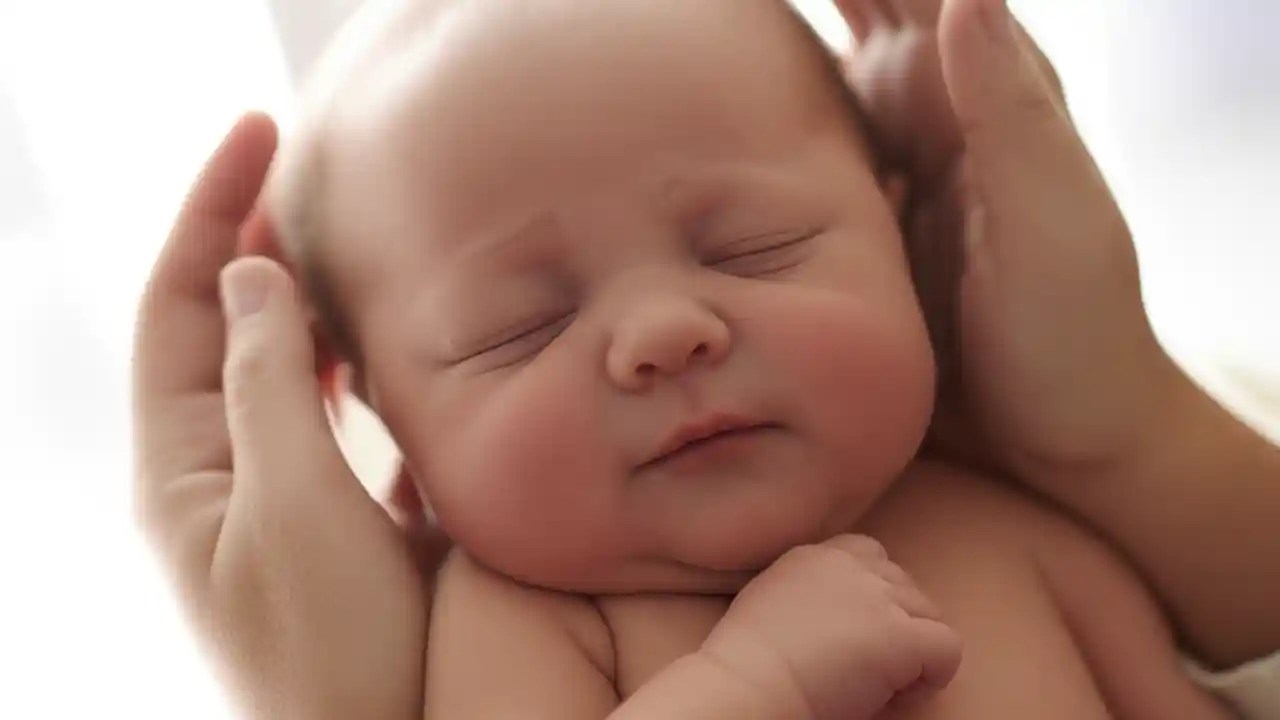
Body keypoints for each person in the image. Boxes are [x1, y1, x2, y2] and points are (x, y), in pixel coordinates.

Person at [130, 0, 1280, 718]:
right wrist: (755, 688)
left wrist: (1124, 426)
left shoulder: (1012, 520)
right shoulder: (526, 622)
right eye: (514, 331)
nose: (661, 335)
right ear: (380, 415)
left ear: (900, 230)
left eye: (755, 247)